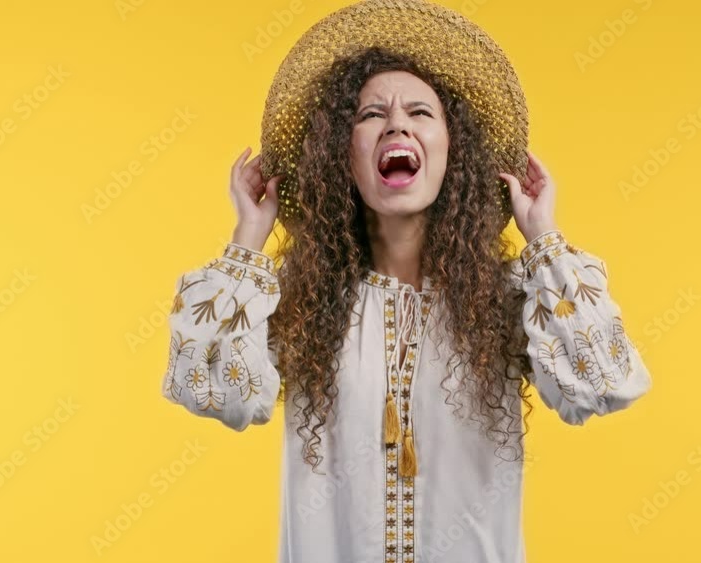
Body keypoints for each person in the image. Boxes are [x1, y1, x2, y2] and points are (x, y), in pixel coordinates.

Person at [160, 2, 651, 562]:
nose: (397, 123)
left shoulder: (510, 300)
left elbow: (606, 386)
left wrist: (544, 239)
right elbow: (207, 390)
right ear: (340, 157)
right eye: (371, 114)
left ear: (452, 151)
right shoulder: (298, 300)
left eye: (421, 112)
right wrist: (247, 240)